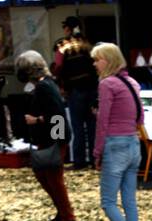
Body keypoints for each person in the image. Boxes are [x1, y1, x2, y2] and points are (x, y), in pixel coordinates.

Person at [91, 42, 144, 221]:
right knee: (129, 199)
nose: (94, 64)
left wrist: (97, 152)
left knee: (108, 201)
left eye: (97, 59)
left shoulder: (107, 84)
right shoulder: (132, 82)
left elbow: (103, 122)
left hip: (115, 145)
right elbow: (140, 117)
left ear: (108, 60)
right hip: (133, 143)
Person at [17, 51, 76, 221]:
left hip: (52, 138)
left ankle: (67, 217)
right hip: (51, 137)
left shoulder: (44, 87)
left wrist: (39, 122)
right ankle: (62, 211)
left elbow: (57, 115)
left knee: (53, 178)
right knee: (44, 175)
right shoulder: (47, 84)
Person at [55, 17, 97, 169]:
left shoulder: (62, 45)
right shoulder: (88, 42)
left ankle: (79, 162)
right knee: (92, 125)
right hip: (92, 89)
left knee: (78, 126)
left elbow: (59, 66)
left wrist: (60, 84)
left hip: (75, 90)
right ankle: (94, 159)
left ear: (67, 29)